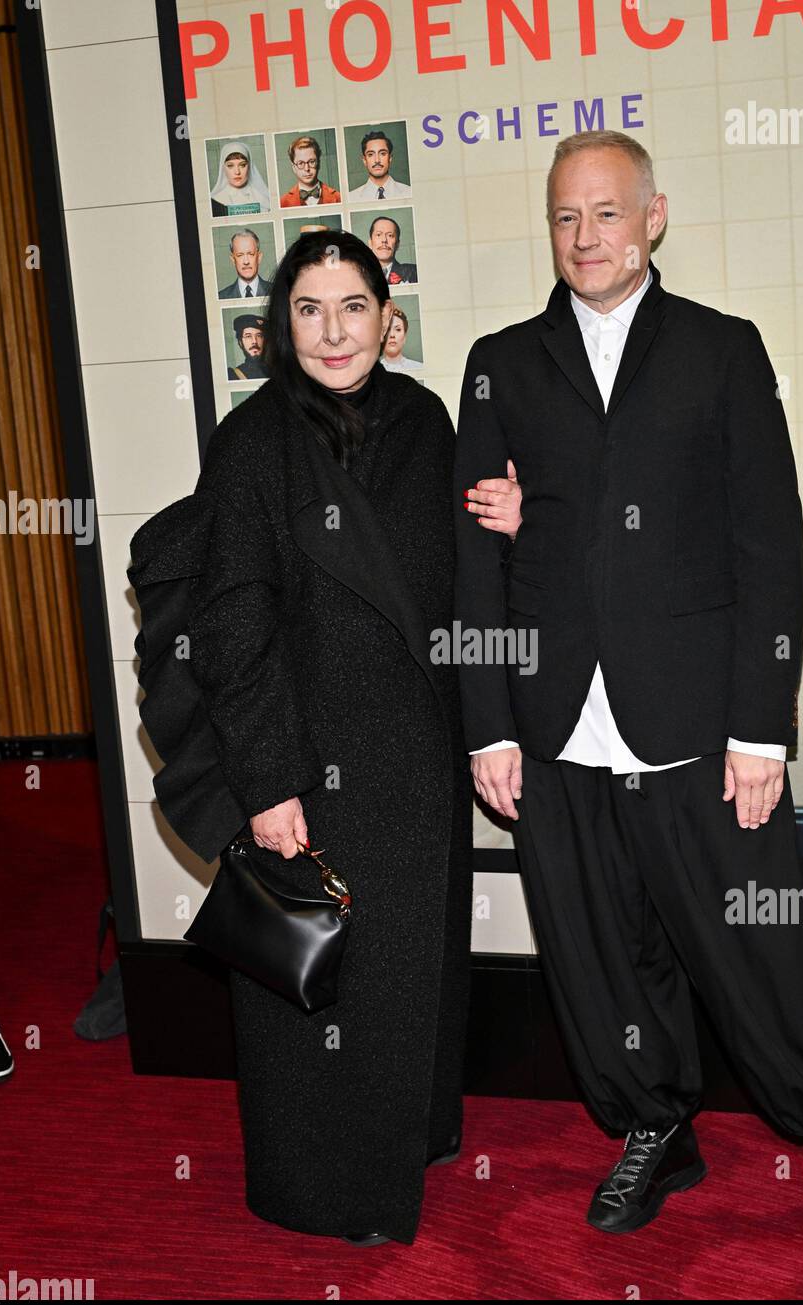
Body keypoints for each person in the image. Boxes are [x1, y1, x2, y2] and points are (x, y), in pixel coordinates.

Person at [454, 129, 803, 1256]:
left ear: (653, 217)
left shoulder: (721, 350)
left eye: (606, 213)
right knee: (602, 948)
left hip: (704, 723)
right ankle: (656, 1123)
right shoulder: (499, 362)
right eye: (564, 216)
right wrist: (486, 726)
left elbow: (772, 546)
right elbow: (477, 557)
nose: (584, 236)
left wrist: (762, 723)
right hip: (554, 724)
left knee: (757, 947)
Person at [164, 230, 517, 1245]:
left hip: (415, 746)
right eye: (310, 310)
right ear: (281, 326)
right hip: (307, 758)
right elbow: (233, 622)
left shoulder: (424, 418)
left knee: (412, 967)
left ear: (386, 315)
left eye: (352, 306)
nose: (333, 331)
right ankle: (330, 1187)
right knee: (321, 982)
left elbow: (459, 580)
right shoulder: (250, 442)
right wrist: (269, 784)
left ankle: (409, 1135)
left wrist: (512, 522)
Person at [210, 140, 271, 217]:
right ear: (223, 168)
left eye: (242, 165)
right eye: (230, 166)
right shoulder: (216, 200)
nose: (237, 172)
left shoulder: (263, 198)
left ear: (249, 167)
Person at [347, 130, 412, 201]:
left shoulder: (410, 193)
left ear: (390, 158)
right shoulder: (351, 198)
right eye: (370, 154)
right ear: (364, 160)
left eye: (382, 153)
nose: (377, 160)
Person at [278, 136, 340, 208]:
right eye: (301, 163)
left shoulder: (338, 197)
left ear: (318, 163)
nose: (307, 168)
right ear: (293, 167)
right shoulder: (283, 203)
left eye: (311, 162)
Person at [217, 229, 272, 300]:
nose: (246, 262)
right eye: (240, 255)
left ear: (259, 257)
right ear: (233, 260)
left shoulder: (276, 291)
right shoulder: (221, 297)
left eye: (251, 254)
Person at [381, 305, 423, 373]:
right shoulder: (370, 373)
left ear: (405, 336)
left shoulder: (418, 367)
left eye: (398, 329)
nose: (392, 335)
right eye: (387, 330)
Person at [226, 314, 268, 380]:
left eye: (259, 336)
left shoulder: (277, 371)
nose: (254, 341)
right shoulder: (233, 375)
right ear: (240, 343)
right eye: (248, 336)